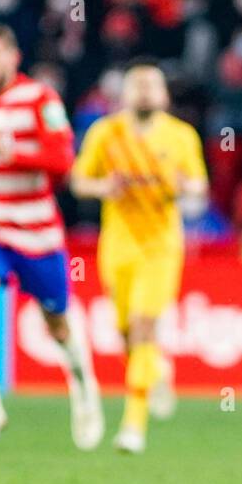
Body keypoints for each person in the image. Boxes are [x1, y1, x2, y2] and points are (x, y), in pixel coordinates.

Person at [0, 22, 103, 452]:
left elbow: (63, 159)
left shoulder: (40, 98)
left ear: (12, 57)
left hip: (37, 231)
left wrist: (14, 152)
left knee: (57, 324)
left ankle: (83, 387)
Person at [70, 58, 209, 452]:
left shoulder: (181, 136)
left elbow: (199, 185)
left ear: (163, 94)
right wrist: (103, 188)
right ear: (124, 93)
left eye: (152, 85)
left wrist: (186, 187)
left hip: (161, 245)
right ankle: (156, 369)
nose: (145, 91)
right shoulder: (105, 132)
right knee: (126, 334)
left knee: (144, 325)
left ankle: (133, 424)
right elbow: (79, 180)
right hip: (117, 245)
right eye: (138, 85)